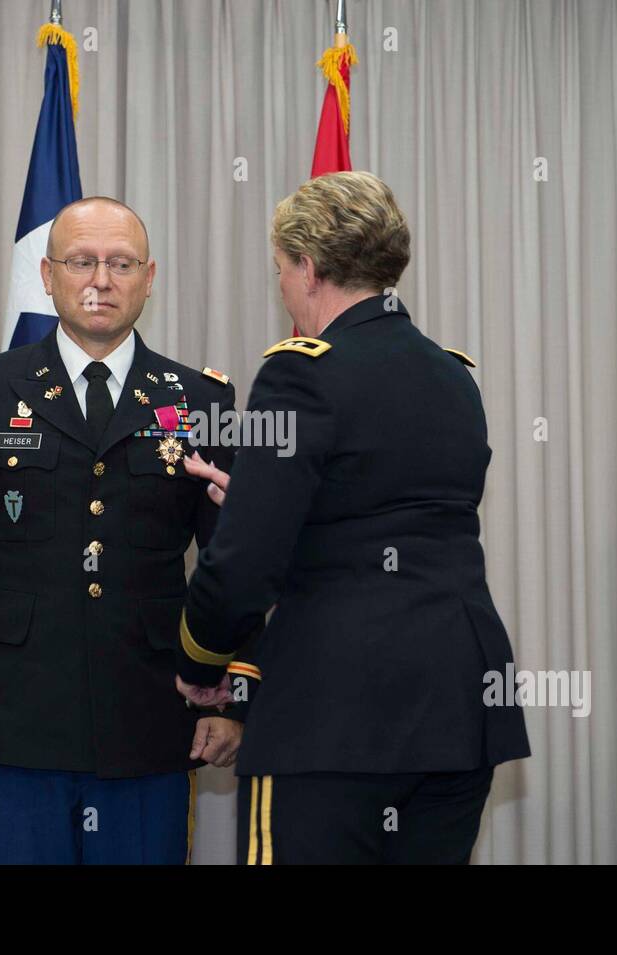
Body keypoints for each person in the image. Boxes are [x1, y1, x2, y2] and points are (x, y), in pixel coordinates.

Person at [176, 171, 532, 864]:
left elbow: (245, 564)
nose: (281, 287)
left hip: (334, 710)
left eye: (280, 270)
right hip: (458, 701)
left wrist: (200, 657)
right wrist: (261, 496)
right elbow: (384, 510)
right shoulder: (453, 374)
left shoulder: (300, 372)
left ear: (308, 268)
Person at [0, 197, 246, 864]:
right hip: (14, 717)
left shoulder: (200, 400)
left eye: (120, 264)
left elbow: (232, 562)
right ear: (47, 273)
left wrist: (232, 693)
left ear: (149, 277)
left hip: (152, 717)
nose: (100, 280)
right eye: (82, 262)